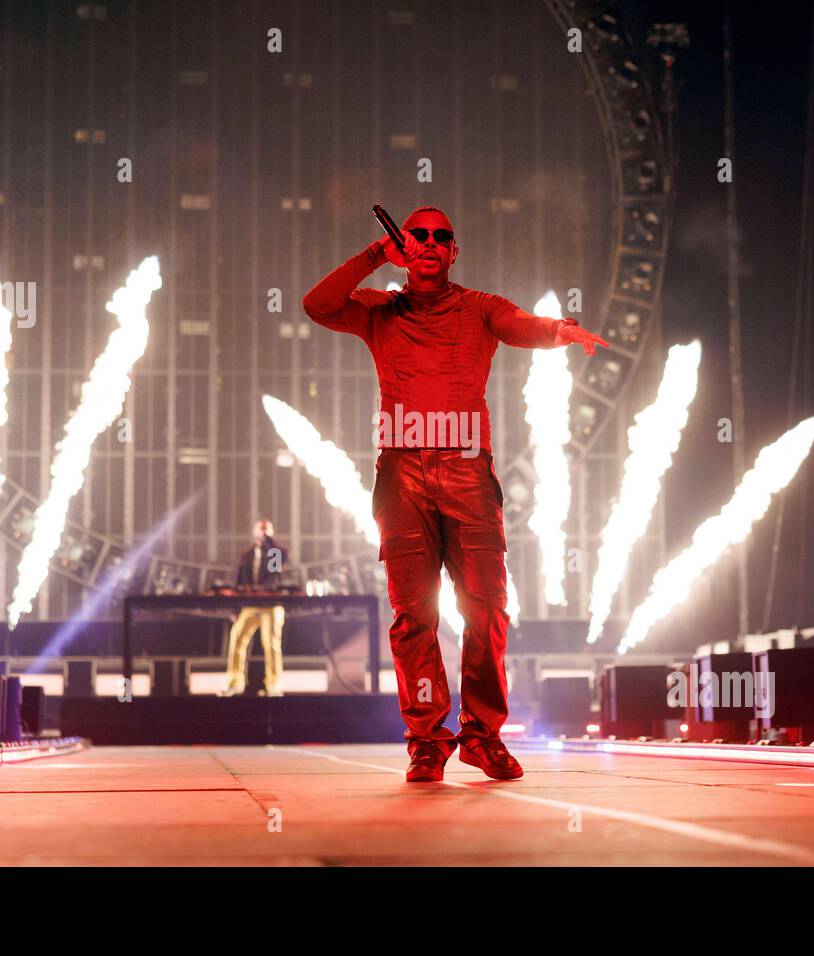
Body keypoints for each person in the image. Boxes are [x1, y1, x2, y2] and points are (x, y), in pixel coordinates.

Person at [301, 206, 607, 781]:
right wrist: (373, 257)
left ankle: (483, 736)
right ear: (403, 244)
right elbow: (316, 305)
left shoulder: (478, 307)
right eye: (419, 234)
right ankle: (426, 741)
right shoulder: (379, 310)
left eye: (443, 236)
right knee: (412, 615)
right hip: (402, 474)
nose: (431, 243)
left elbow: (520, 324)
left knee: (487, 607)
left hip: (467, 471)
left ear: (454, 251)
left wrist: (562, 330)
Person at [219, 519, 288, 697]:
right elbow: (238, 582)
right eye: (261, 529)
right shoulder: (246, 556)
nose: (264, 532)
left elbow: (275, 573)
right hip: (250, 605)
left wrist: (269, 541)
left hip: (271, 605)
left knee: (271, 644)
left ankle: (273, 685)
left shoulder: (274, 552)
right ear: (254, 532)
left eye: (267, 530)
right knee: (237, 639)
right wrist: (235, 609)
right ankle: (235, 683)